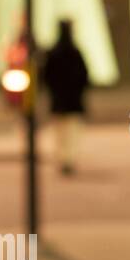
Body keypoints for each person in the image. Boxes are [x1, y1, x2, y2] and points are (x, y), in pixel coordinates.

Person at [41, 18, 90, 175]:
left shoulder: (53, 53)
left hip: (58, 100)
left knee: (60, 132)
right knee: (71, 131)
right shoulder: (75, 53)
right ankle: (68, 158)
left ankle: (64, 158)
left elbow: (46, 76)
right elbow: (84, 76)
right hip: (73, 100)